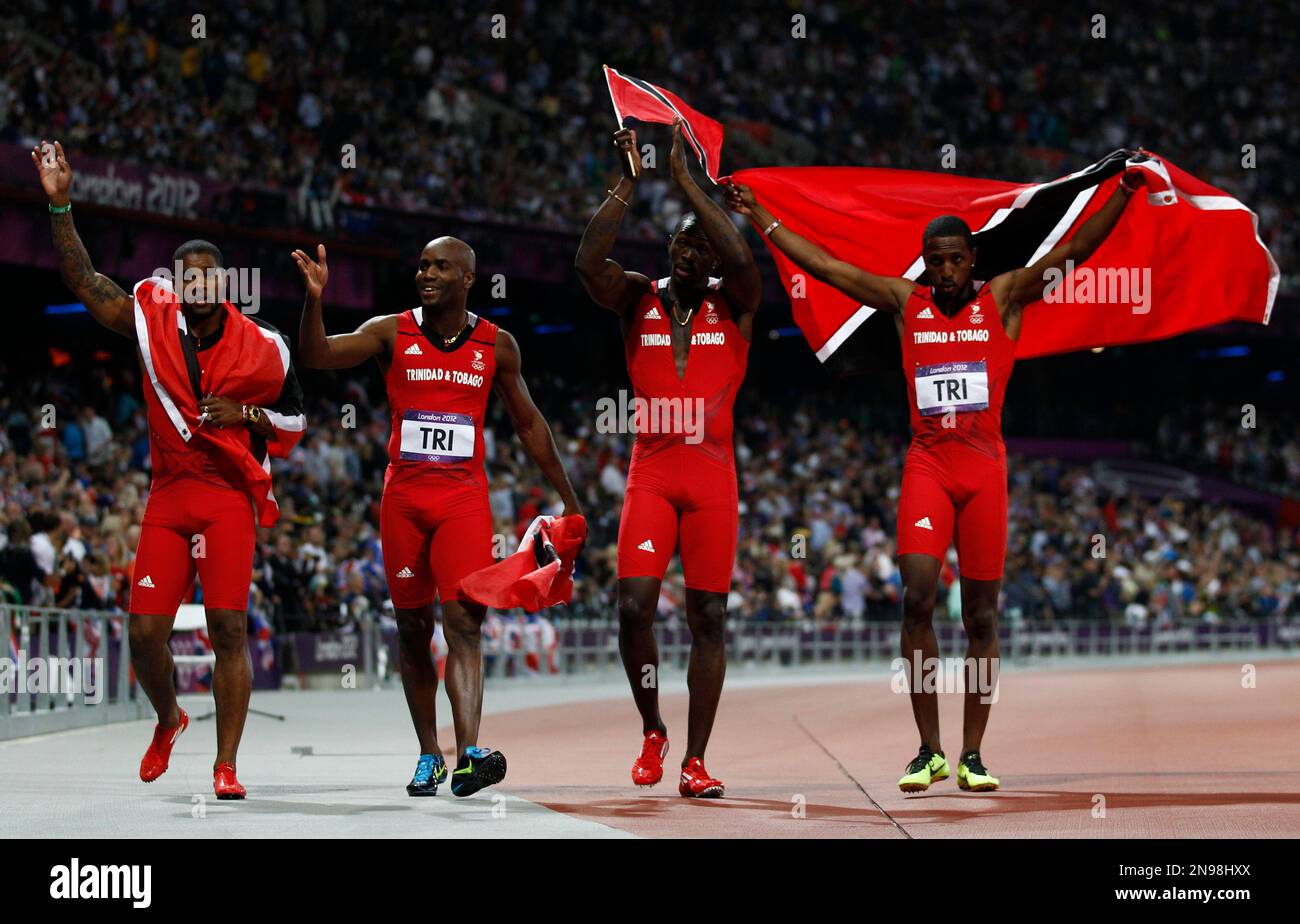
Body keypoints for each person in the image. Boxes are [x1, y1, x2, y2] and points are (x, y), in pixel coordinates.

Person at [727, 165, 1148, 792]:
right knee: (917, 596)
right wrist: (760, 215)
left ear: (971, 258)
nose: (945, 270)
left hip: (984, 470)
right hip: (928, 464)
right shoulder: (905, 301)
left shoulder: (1003, 296)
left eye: (954, 259)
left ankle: (973, 754)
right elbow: (824, 266)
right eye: (935, 260)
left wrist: (1125, 190)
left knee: (981, 616)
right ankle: (929, 749)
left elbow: (1076, 251)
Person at [32, 139, 306, 799]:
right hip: (168, 496)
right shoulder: (151, 323)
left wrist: (247, 415)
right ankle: (168, 717)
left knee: (229, 628)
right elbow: (87, 284)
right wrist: (62, 204)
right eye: (187, 276)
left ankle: (227, 765)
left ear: (223, 281)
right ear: (178, 285)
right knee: (144, 631)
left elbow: (296, 423)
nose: (198, 284)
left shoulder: (265, 346)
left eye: (209, 273)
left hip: (226, 498)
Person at [294, 237, 582, 798]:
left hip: (463, 501)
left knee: (464, 623)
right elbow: (317, 356)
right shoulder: (389, 330)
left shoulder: (496, 345)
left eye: (441, 266)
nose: (426, 273)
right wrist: (313, 300)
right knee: (411, 627)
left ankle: (469, 751)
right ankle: (429, 752)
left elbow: (529, 425)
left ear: (468, 278)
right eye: (422, 263)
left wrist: (568, 498)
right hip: (403, 500)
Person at [575, 121, 760, 798]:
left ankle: (696, 759)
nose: (693, 254)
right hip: (653, 475)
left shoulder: (735, 305)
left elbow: (744, 263)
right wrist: (626, 188)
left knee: (708, 619)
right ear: (670, 246)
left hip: (712, 481)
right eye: (684, 241)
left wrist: (687, 181)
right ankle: (653, 726)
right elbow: (587, 267)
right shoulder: (636, 298)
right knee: (633, 608)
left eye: (704, 246)